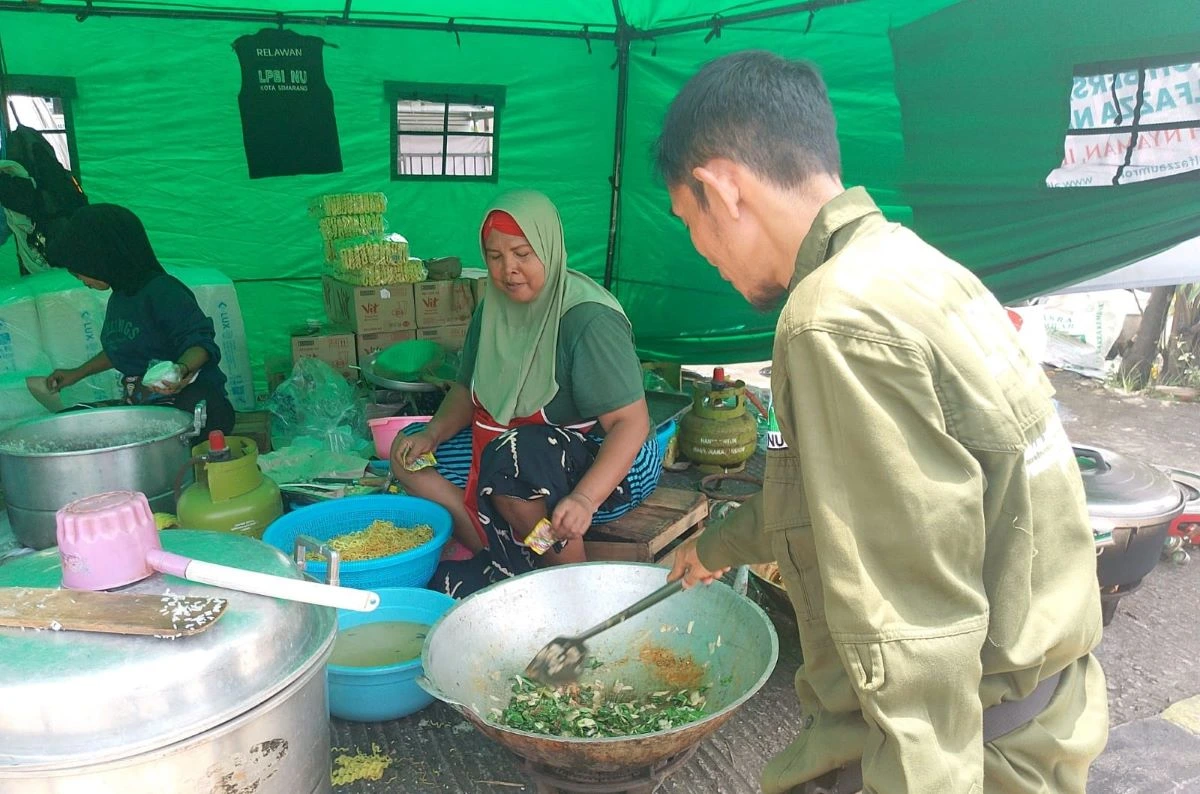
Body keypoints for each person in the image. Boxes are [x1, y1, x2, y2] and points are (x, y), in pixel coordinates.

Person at [659, 52, 1107, 793]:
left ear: (722, 188)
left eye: (688, 221)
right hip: (1042, 714)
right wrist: (715, 545)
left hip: (963, 754)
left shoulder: (831, 319)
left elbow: (912, 623)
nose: (701, 253)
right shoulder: (916, 267)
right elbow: (833, 492)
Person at [391, 189, 660, 598]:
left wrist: (585, 499)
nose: (508, 270)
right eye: (494, 257)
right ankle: (508, 559)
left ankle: (576, 594)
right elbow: (467, 390)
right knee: (407, 456)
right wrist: (431, 434)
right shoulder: (492, 310)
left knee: (512, 467)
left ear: (549, 248)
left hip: (616, 462)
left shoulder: (587, 320)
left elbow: (630, 424)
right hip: (517, 450)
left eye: (522, 254)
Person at [43, 204, 234, 436]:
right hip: (145, 406)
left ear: (102, 257)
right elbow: (122, 349)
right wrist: (77, 373)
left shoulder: (164, 291)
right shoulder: (119, 298)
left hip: (191, 404)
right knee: (67, 424)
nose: (81, 280)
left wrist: (180, 370)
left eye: (78, 272)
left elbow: (200, 344)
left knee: (183, 419)